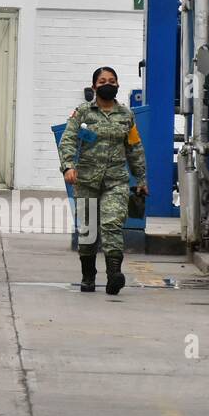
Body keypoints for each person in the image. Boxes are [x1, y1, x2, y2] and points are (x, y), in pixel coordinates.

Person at [58, 67, 148, 294]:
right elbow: (67, 141)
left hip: (116, 180)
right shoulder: (83, 113)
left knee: (111, 224)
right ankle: (88, 276)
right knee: (88, 231)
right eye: (102, 81)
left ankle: (114, 275)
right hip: (86, 180)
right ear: (94, 86)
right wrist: (68, 166)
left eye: (112, 80)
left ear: (117, 85)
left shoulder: (126, 115)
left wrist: (141, 178)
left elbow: (134, 148)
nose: (108, 84)